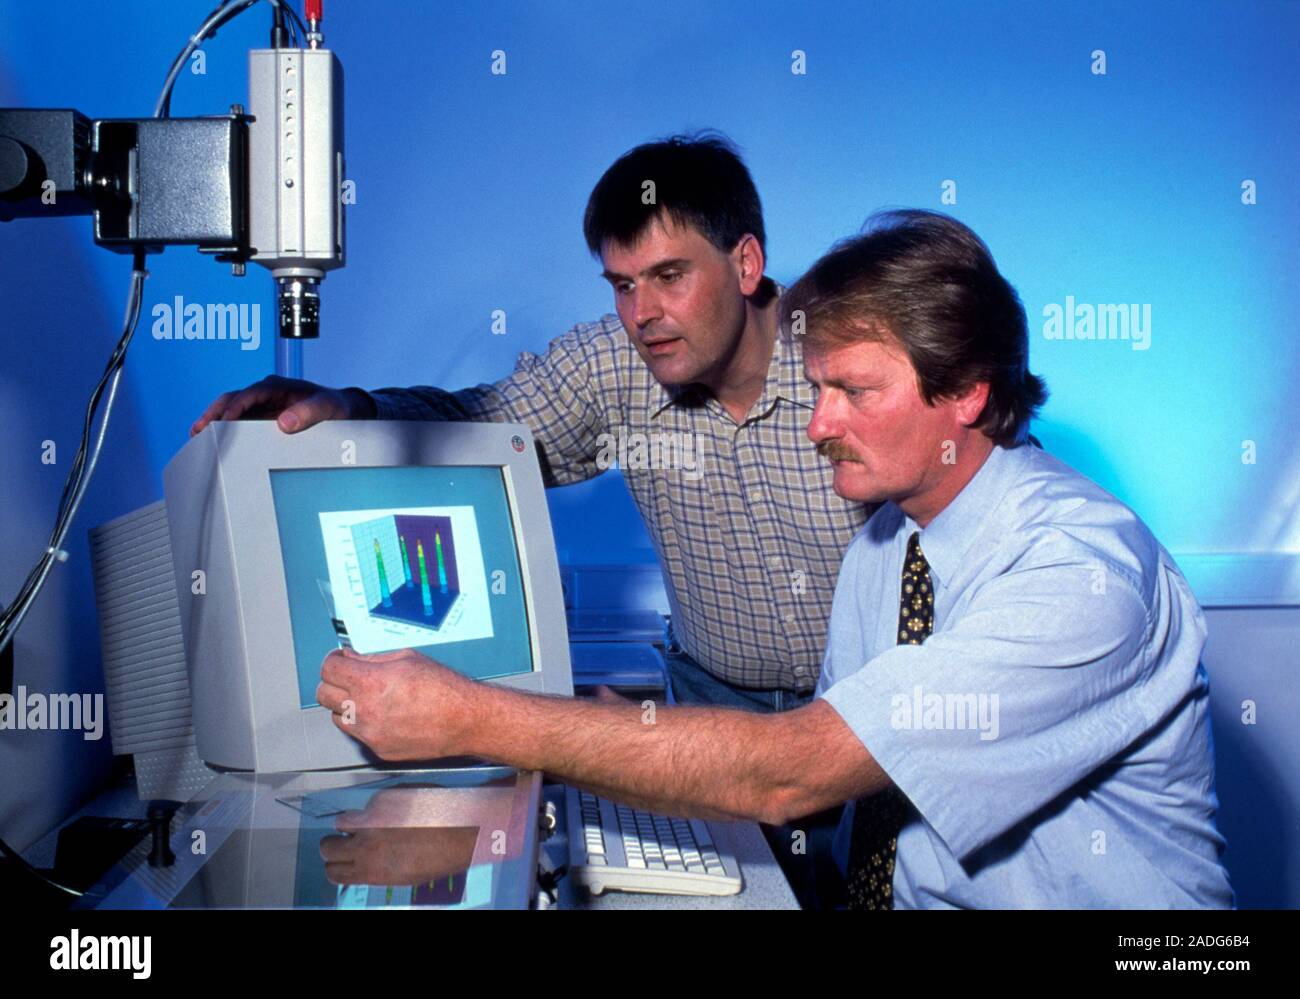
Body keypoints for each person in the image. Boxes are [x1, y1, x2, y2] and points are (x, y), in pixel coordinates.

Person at [310, 209, 1234, 908]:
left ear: (968, 392)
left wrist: (469, 715)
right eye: (819, 387)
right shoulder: (887, 538)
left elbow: (796, 770)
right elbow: (810, 790)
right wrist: (607, 755)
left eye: (852, 391)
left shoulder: (1080, 570)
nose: (819, 422)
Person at [191, 132, 865, 907]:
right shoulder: (615, 366)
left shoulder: (841, 362)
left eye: (669, 276)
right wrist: (355, 407)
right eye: (621, 284)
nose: (641, 314)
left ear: (746, 264)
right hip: (710, 708)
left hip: (855, 710)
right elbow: (480, 423)